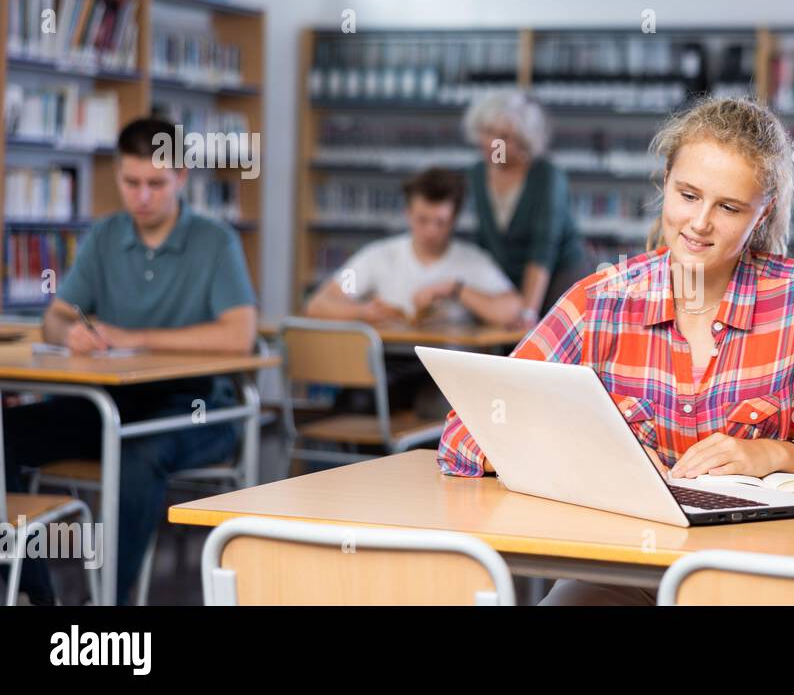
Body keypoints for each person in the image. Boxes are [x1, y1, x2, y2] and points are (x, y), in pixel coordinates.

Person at [440, 96, 794, 604]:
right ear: (665, 183)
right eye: (688, 195)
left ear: (763, 212)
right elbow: (466, 431)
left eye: (728, 207)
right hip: (622, 567)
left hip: (761, 568)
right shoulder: (599, 299)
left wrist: (770, 453)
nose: (700, 223)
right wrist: (589, 457)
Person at [3, 117, 258, 604]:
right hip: (110, 400)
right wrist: (72, 333)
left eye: (156, 184)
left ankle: (107, 604)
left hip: (200, 407)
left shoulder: (215, 240)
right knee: (6, 433)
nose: (142, 197)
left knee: (137, 454)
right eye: (131, 182)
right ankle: (37, 591)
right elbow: (54, 318)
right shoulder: (105, 235)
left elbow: (240, 335)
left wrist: (132, 337)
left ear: (182, 177)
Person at [305, 167, 523, 327]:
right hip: (389, 363)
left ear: (454, 219)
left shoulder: (472, 262)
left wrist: (454, 289)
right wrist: (362, 311)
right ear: (407, 214)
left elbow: (514, 309)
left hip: (445, 373)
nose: (430, 231)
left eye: (440, 222)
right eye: (422, 220)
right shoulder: (377, 257)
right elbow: (319, 304)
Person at [462, 90, 588, 321]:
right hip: (507, 278)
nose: (493, 143)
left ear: (523, 142)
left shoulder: (548, 177)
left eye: (504, 136)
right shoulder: (478, 174)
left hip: (557, 278)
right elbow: (485, 241)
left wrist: (528, 312)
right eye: (488, 132)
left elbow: (544, 248)